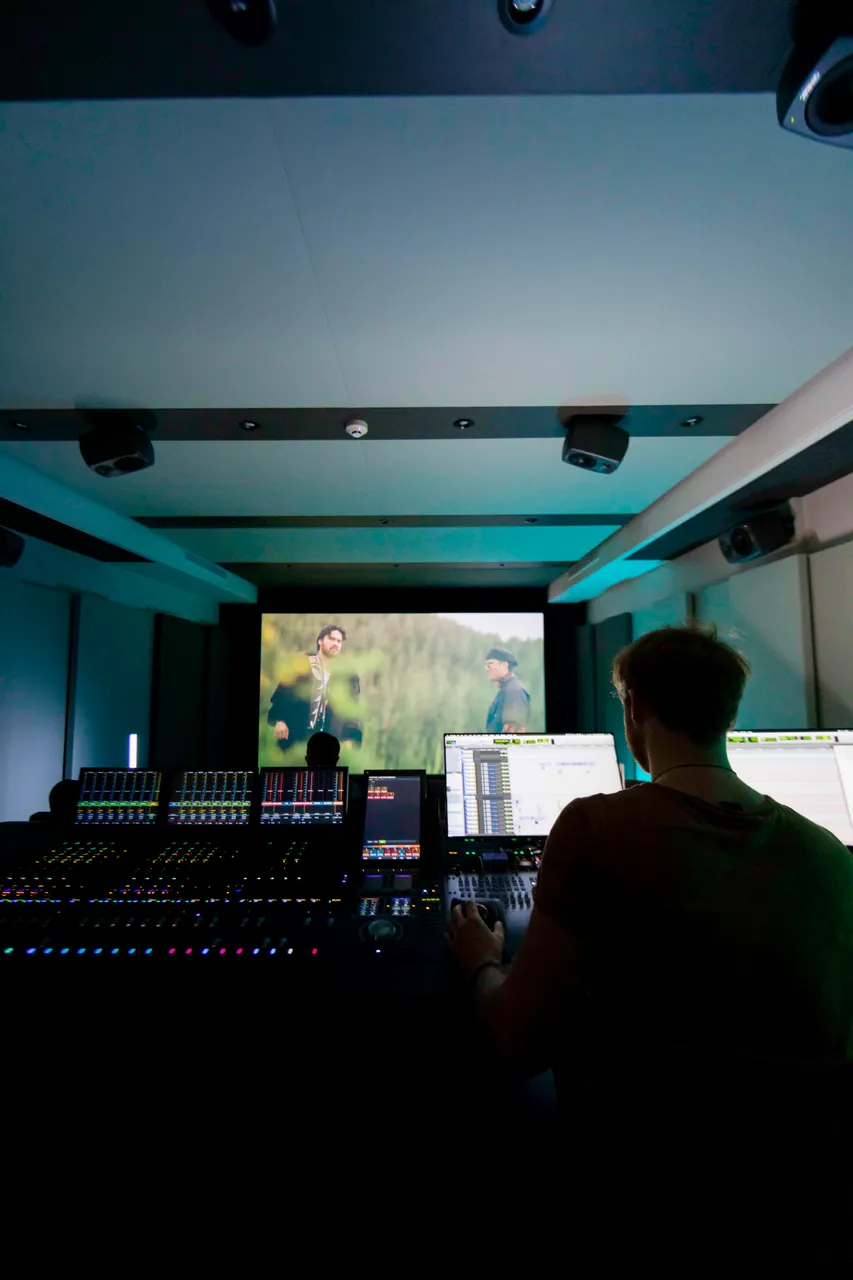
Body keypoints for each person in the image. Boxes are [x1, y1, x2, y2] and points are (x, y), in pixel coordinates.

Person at [447, 625, 853, 1212]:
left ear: (633, 707)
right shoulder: (827, 853)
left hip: (648, 1176)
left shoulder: (594, 828)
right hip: (807, 1185)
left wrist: (481, 961)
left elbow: (517, 1042)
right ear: (727, 711)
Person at [267, 624, 361, 751]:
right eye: (331, 639)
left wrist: (350, 737)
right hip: (295, 736)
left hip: (330, 741)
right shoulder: (302, 664)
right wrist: (280, 720)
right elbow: (283, 693)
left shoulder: (347, 674)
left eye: (339, 641)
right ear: (320, 641)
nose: (335, 643)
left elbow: (352, 707)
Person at [484, 646, 531, 732]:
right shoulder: (506, 690)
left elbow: (514, 735)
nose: (486, 669)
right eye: (486, 665)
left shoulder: (514, 691)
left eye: (490, 664)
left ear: (504, 665)